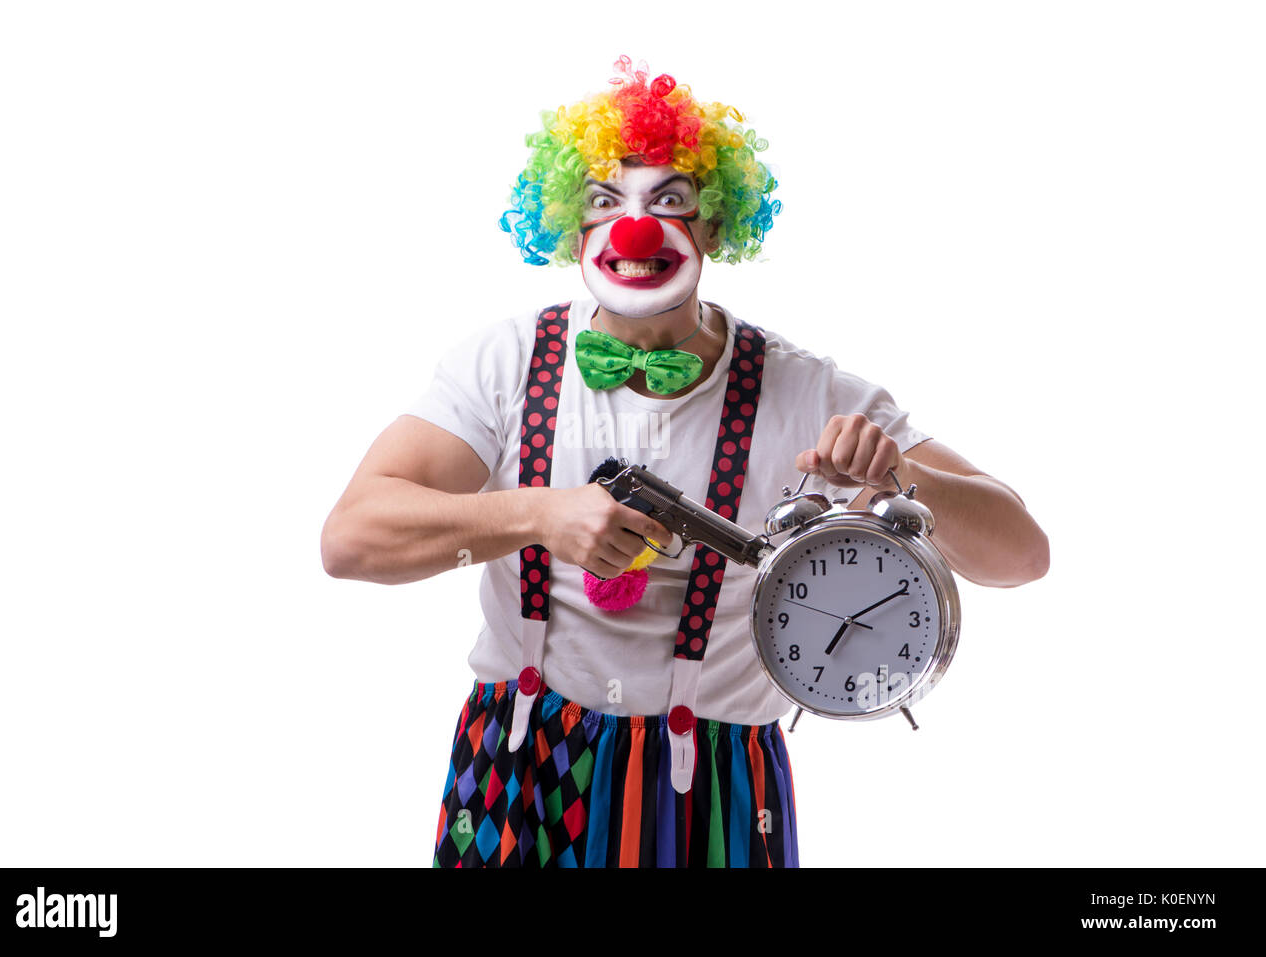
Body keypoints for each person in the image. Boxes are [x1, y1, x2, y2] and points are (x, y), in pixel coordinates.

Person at [320, 56, 1050, 868]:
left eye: (670, 201)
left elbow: (1022, 554)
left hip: (717, 780)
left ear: (712, 228)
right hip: (521, 758)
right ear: (572, 227)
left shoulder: (807, 388)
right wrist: (533, 513)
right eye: (605, 202)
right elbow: (351, 539)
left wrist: (895, 481)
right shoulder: (507, 362)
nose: (636, 228)